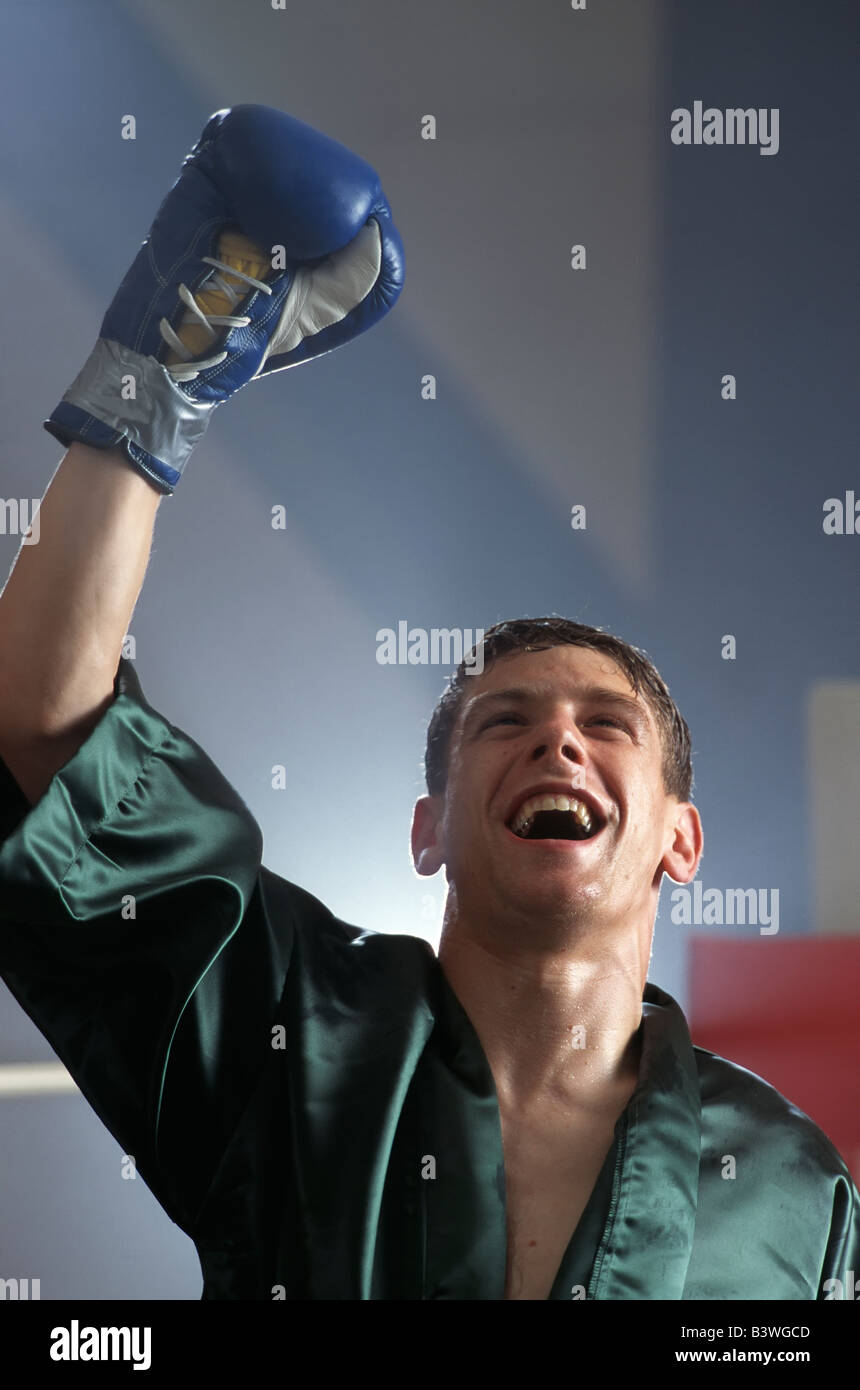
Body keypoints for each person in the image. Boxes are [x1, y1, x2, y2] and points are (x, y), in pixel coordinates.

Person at [0, 105, 856, 1302]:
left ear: (680, 837)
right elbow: (48, 722)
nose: (557, 734)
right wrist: (160, 378)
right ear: (424, 828)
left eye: (604, 725)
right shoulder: (287, 1033)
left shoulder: (796, 1195)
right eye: (501, 723)